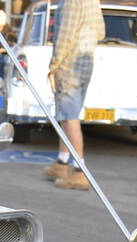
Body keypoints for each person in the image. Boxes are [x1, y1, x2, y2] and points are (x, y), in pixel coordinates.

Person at [44, 0, 105, 190]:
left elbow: (64, 37)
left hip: (69, 65)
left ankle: (79, 172)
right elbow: (101, 32)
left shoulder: (71, 1)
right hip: (85, 63)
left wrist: (54, 65)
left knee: (69, 117)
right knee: (66, 114)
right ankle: (62, 163)